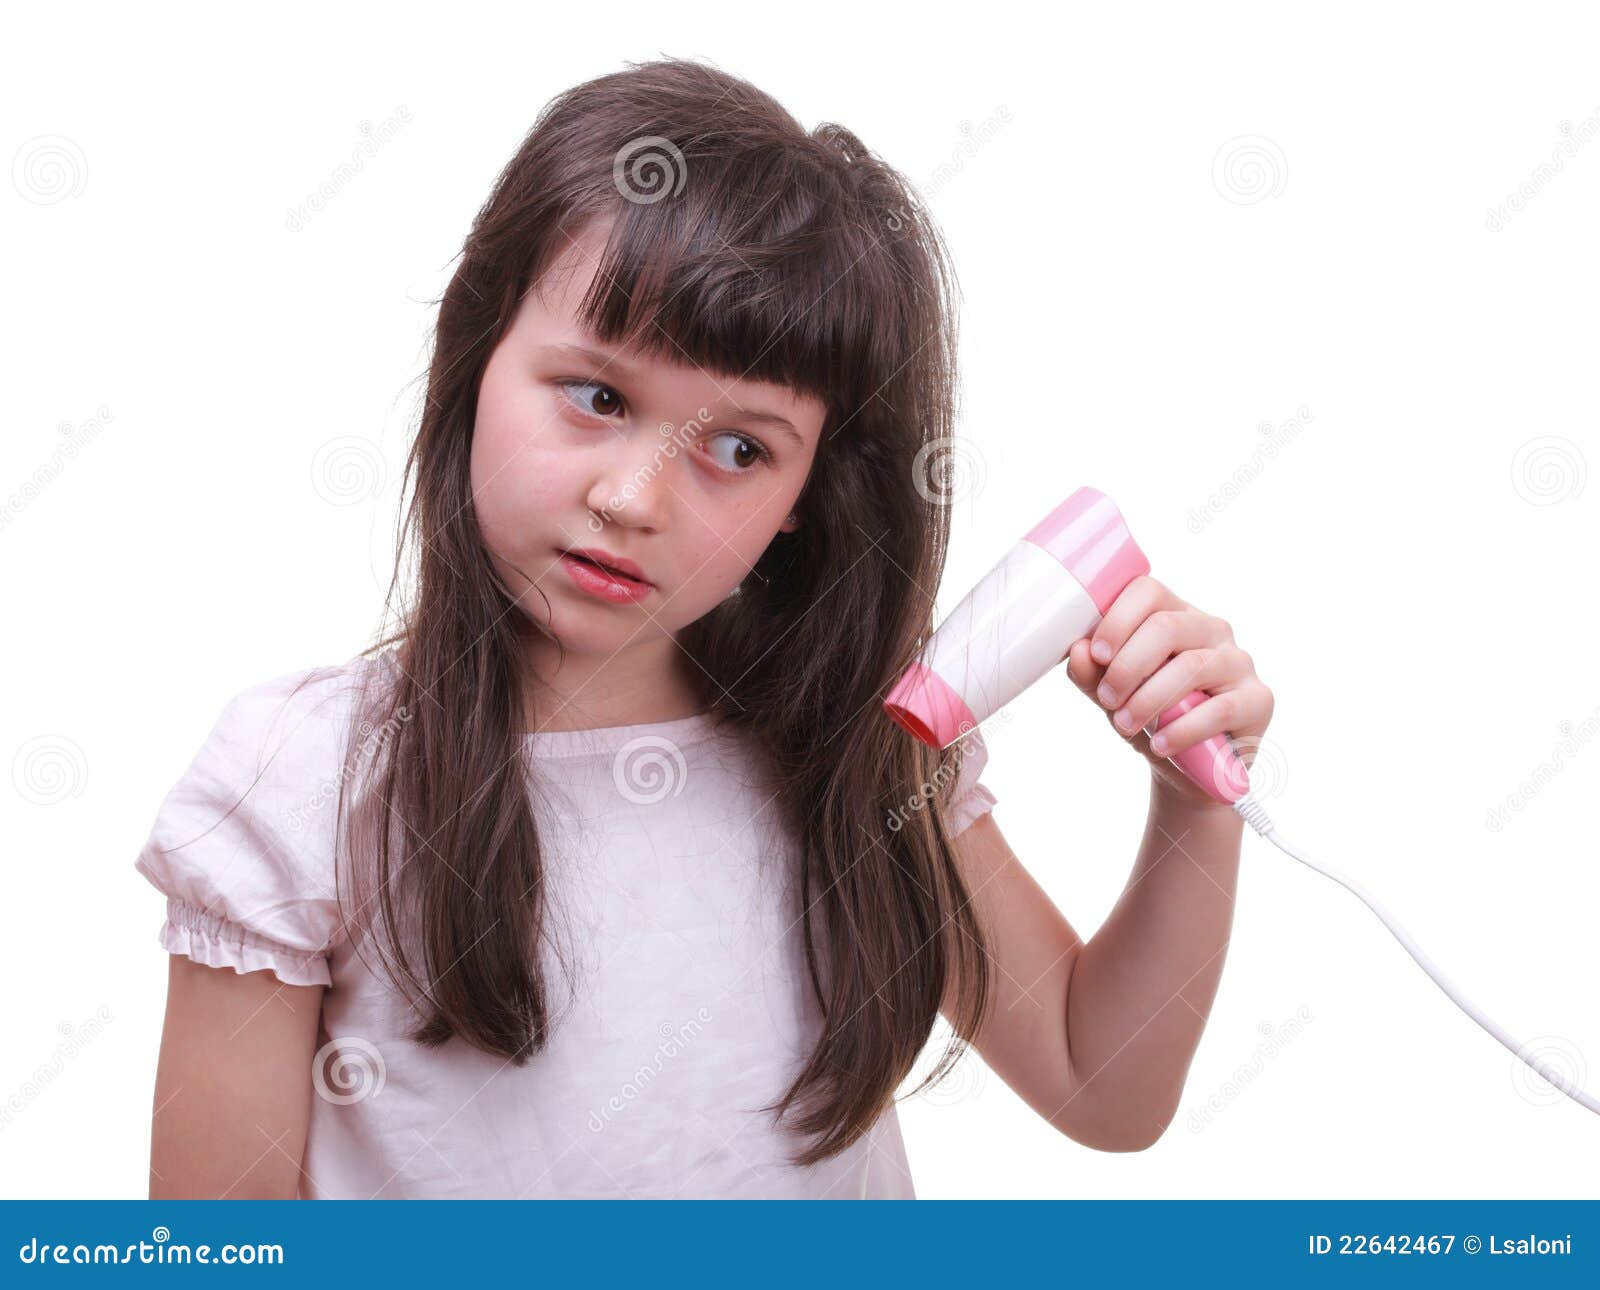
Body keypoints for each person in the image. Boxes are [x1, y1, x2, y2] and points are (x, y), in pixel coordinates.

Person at [135, 57, 1274, 1199]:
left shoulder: (861, 753)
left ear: (804, 501)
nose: (635, 500)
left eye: (740, 450)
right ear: (475, 359)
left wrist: (1191, 802)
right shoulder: (307, 780)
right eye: (597, 395)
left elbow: (1101, 1085)